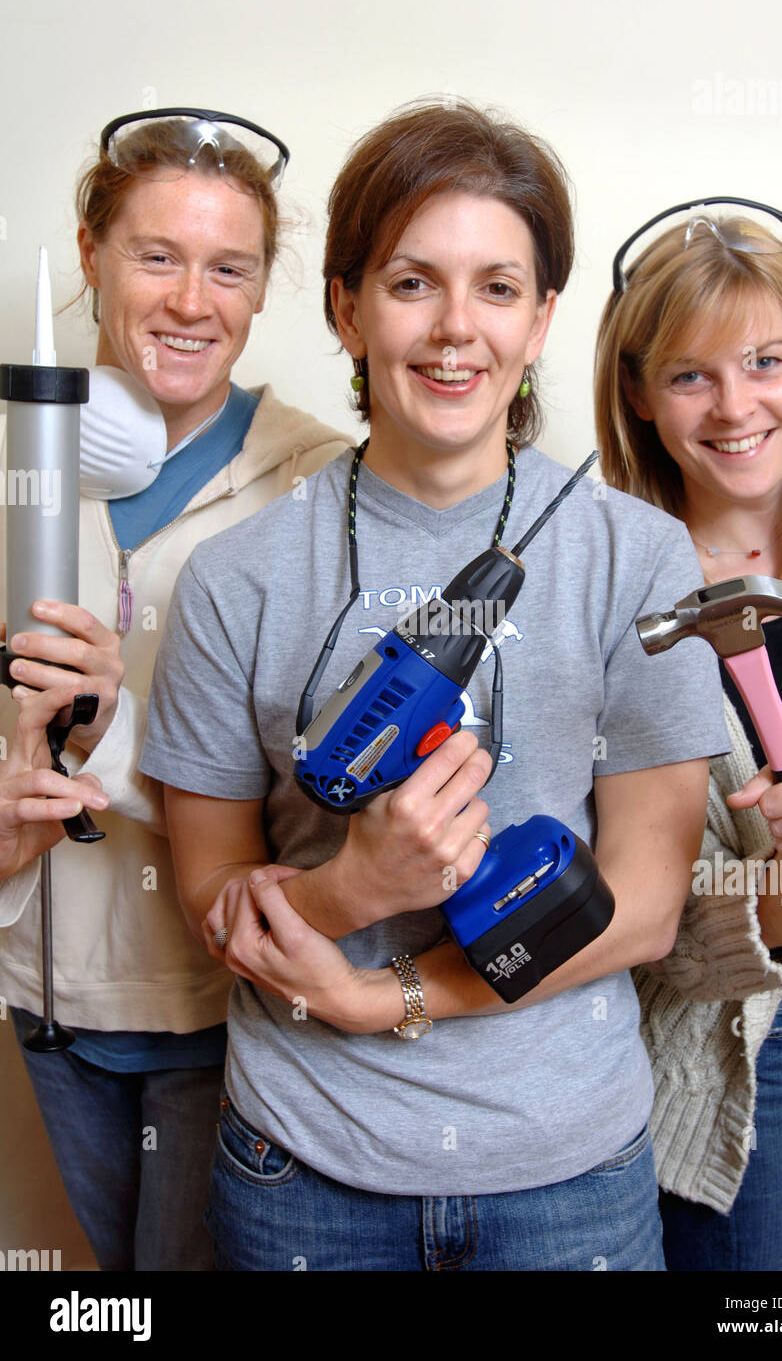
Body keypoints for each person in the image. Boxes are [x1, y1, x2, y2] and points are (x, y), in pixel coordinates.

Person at [140, 100, 730, 1273]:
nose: (456, 330)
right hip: (304, 1168)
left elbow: (646, 906)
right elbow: (209, 909)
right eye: (412, 284)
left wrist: (386, 998)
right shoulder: (235, 578)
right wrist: (355, 887)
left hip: (566, 1172)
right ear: (346, 308)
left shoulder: (638, 558)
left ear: (543, 317)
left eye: (498, 288)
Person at [0, 108, 351, 1270]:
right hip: (45, 994)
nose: (192, 301)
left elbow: (315, 786)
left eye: (229, 268)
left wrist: (111, 730)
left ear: (262, 293)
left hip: (222, 1005)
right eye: (156, 256)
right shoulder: (19, 457)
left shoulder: (317, 485)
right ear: (92, 251)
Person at [593, 197, 782, 1270]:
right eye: (688, 374)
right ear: (635, 388)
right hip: (680, 1038)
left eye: (765, 359)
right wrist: (765, 907)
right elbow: (613, 909)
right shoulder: (604, 580)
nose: (734, 407)